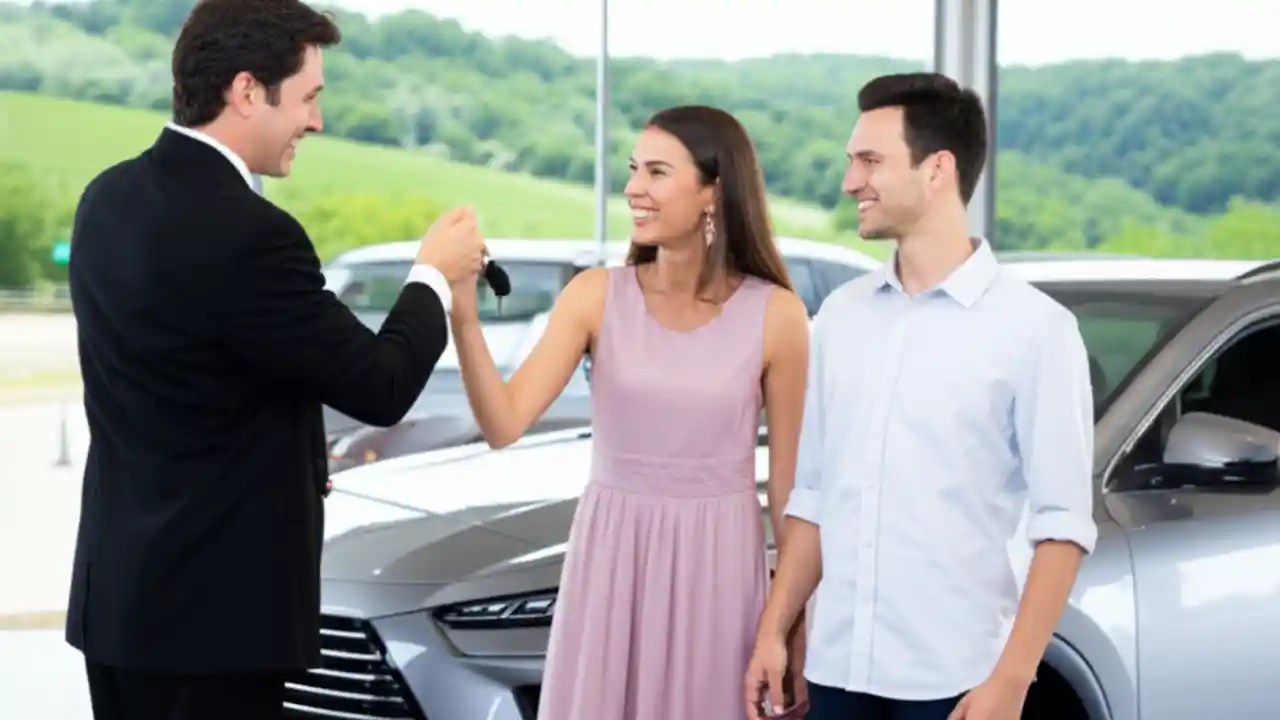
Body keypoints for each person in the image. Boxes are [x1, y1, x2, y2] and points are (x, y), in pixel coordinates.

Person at [63, 2, 485, 718]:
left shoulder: (105, 198)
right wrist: (433, 275)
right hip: (216, 621)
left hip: (118, 602)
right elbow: (380, 385)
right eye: (308, 97)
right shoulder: (252, 233)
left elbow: (196, 378)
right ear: (248, 90)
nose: (315, 121)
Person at [745, 72, 1097, 720]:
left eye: (869, 161)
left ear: (937, 169)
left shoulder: (1036, 330)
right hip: (837, 671)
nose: (850, 182)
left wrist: (1012, 681)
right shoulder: (841, 318)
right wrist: (776, 627)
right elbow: (815, 498)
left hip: (958, 682)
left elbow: (1063, 526)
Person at [450, 105, 812, 719]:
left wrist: (786, 628)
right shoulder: (595, 296)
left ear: (713, 190)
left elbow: (792, 495)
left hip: (719, 574)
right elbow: (503, 422)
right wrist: (462, 311)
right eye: (633, 169)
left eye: (657, 172)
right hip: (611, 564)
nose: (634, 188)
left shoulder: (777, 315)